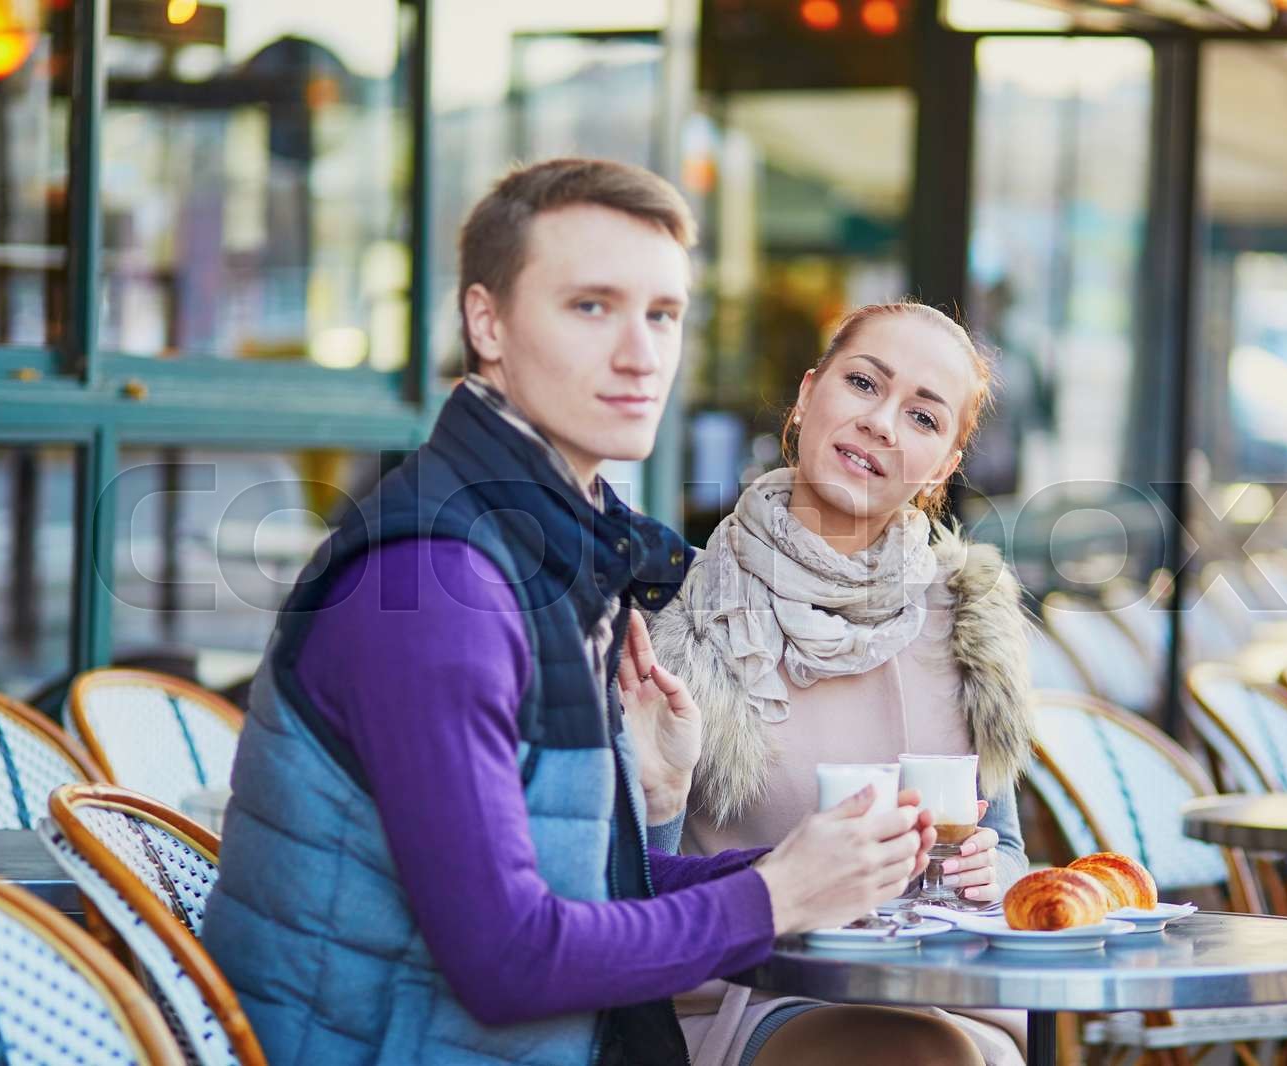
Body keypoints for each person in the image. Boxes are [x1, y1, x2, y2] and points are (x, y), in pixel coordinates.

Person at [202, 159, 953, 1066]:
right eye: (590, 307)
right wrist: (778, 897)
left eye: (662, 315)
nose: (640, 355)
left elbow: (579, 890)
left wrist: (794, 859)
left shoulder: (548, 554)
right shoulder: (436, 585)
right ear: (487, 322)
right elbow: (507, 960)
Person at [644, 300, 1034, 1065]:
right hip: (746, 994)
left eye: (923, 419)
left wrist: (993, 867)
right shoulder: (674, 607)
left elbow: (1007, 845)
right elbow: (624, 877)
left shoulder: (969, 619)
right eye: (863, 383)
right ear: (807, 394)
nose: (883, 423)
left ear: (945, 466)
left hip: (945, 990)